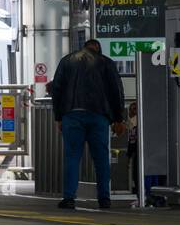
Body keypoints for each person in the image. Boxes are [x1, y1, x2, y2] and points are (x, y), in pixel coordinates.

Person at [50, 39, 126, 210]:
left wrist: (59, 117)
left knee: (72, 157)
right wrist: (118, 118)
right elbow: (116, 90)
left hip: (72, 114)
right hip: (99, 116)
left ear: (83, 47)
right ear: (98, 49)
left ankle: (69, 198)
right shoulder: (106, 63)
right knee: (101, 159)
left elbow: (57, 88)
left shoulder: (67, 61)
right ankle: (104, 199)